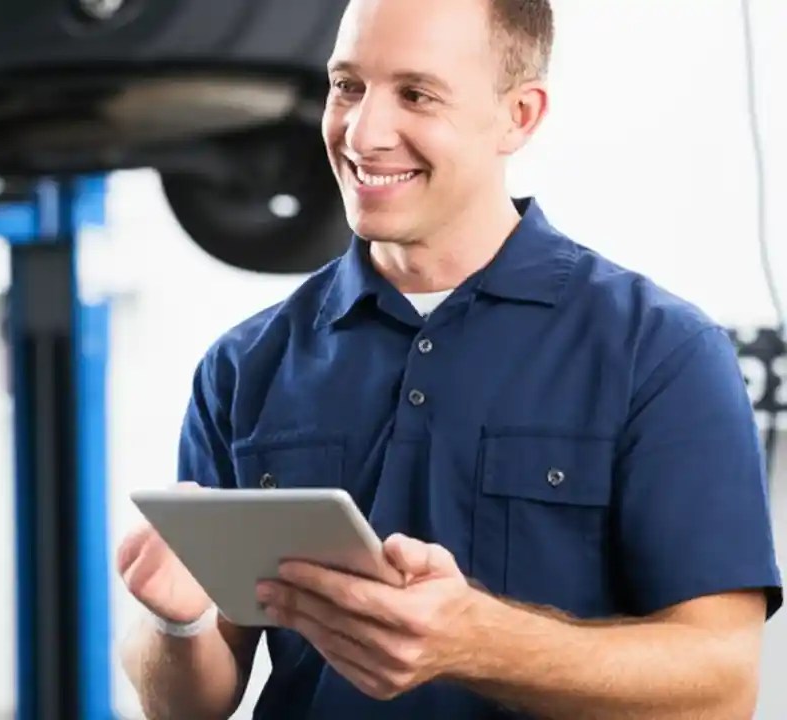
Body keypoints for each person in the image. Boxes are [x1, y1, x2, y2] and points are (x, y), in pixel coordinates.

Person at [117, 0, 782, 717]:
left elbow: (720, 687)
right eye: (347, 86)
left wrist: (476, 643)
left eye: (416, 94)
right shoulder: (244, 366)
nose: (362, 133)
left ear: (519, 116)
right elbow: (188, 708)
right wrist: (177, 622)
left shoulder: (660, 354)